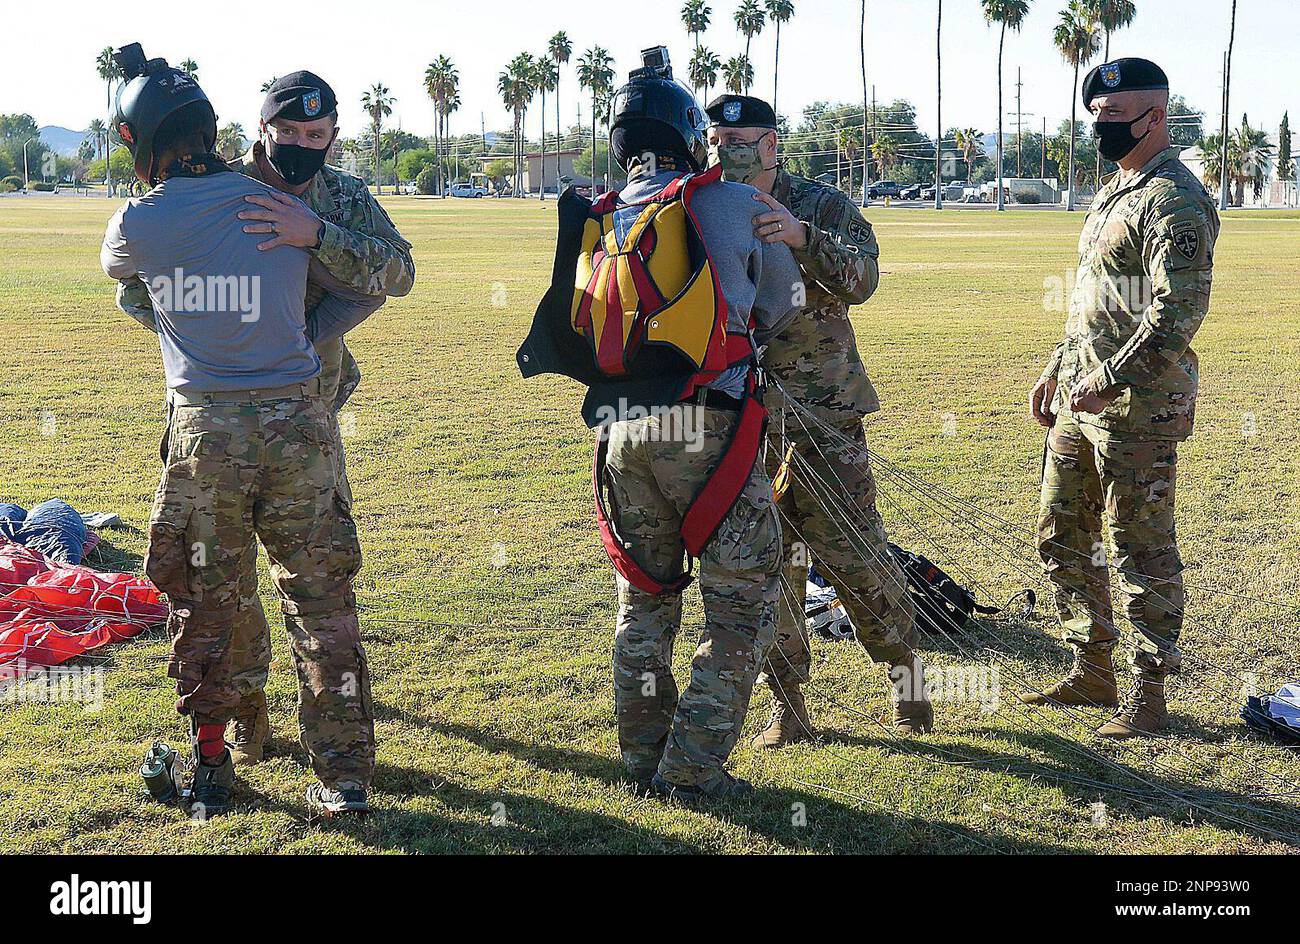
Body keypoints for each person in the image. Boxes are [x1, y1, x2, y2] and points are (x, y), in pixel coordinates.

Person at [101, 44, 379, 815]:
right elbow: (369, 286)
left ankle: (217, 760)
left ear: (138, 140)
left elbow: (121, 277)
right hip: (300, 420)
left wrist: (191, 328)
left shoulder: (139, 222)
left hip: (205, 434)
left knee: (206, 599)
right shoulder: (281, 208)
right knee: (323, 602)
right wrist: (304, 323)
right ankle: (346, 775)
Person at [518, 48, 802, 801]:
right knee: (740, 606)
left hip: (620, 430)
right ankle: (693, 773)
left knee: (644, 602)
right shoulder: (733, 203)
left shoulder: (600, 213)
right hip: (711, 428)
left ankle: (644, 764)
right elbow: (781, 305)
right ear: (687, 131)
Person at [704, 94, 929, 748]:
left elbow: (862, 280)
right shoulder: (705, 210)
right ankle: (790, 706)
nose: (730, 156)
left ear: (772, 146)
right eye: (718, 142)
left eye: (742, 143)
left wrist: (802, 239)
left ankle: (906, 678)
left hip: (823, 417)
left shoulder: (822, 206)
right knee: (768, 568)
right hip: (743, 418)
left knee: (856, 559)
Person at [1023, 58, 1219, 738]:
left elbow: (1175, 316)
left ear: (1156, 117)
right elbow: (1093, 303)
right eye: (1097, 117)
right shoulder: (1118, 188)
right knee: (1061, 532)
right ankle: (1091, 670)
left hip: (1138, 407)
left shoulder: (1176, 199)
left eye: (1115, 116)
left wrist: (1109, 378)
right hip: (1080, 398)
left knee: (1141, 549)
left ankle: (1149, 692)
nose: (1101, 127)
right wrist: (1058, 368)